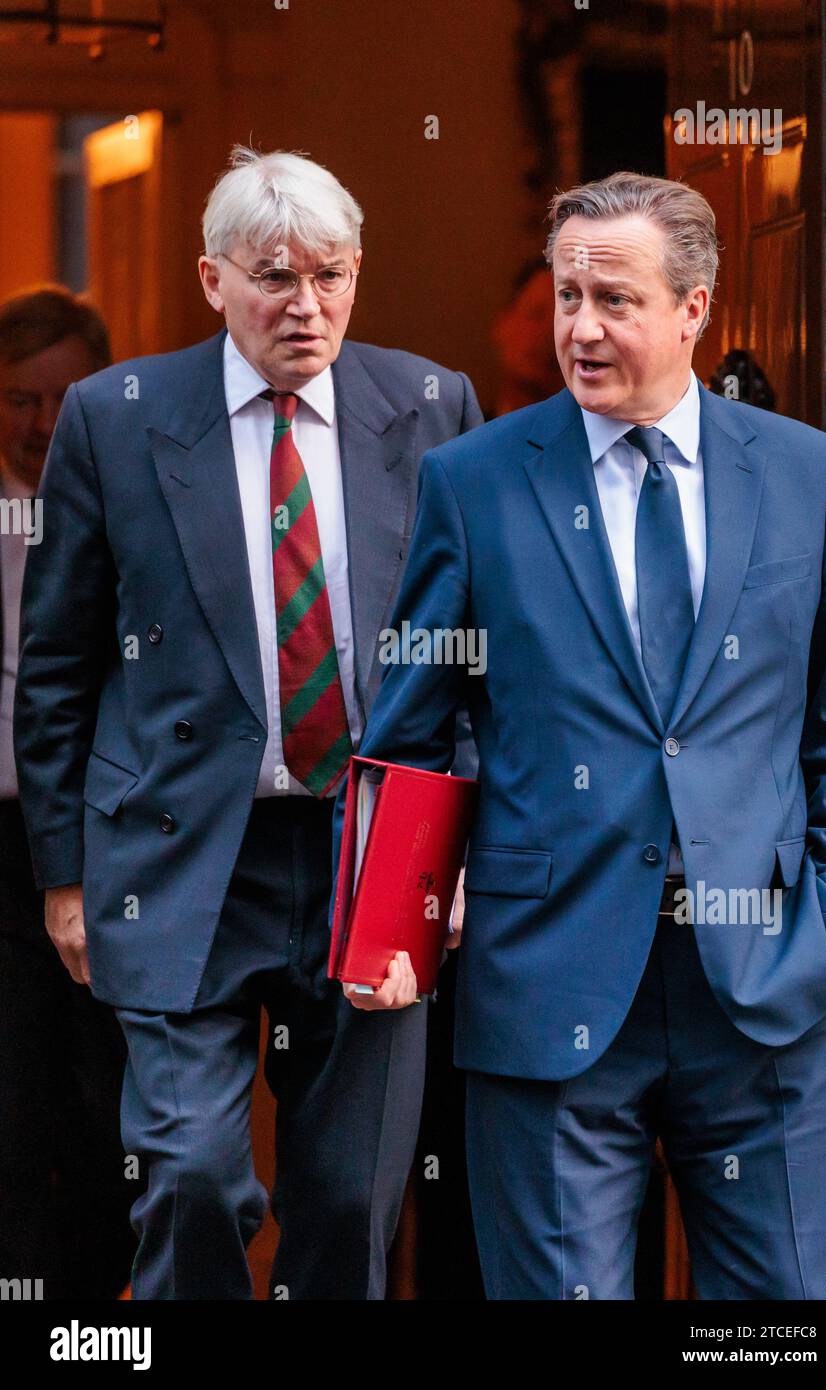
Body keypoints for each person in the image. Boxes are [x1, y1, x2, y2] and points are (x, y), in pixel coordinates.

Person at [332, 171, 826, 1299]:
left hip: (770, 983)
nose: (580, 326)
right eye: (568, 294)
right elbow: (414, 724)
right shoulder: (473, 482)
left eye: (614, 299)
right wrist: (393, 921)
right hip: (550, 982)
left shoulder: (802, 470)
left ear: (695, 308)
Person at [14, 146, 482, 1300]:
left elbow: (474, 655)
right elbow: (61, 662)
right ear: (214, 280)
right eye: (275, 277)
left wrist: (448, 852)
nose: (307, 305)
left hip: (367, 846)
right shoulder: (115, 419)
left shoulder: (428, 406)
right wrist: (64, 874)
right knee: (187, 1173)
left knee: (348, 1196)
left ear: (359, 273)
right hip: (176, 848)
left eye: (332, 274)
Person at [0, 285, 140, 1298]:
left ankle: (93, 1312)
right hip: (0, 842)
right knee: (11, 1105)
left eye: (65, 396)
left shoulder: (136, 501)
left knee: (109, 1107)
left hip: (113, 839)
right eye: (18, 399)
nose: (44, 423)